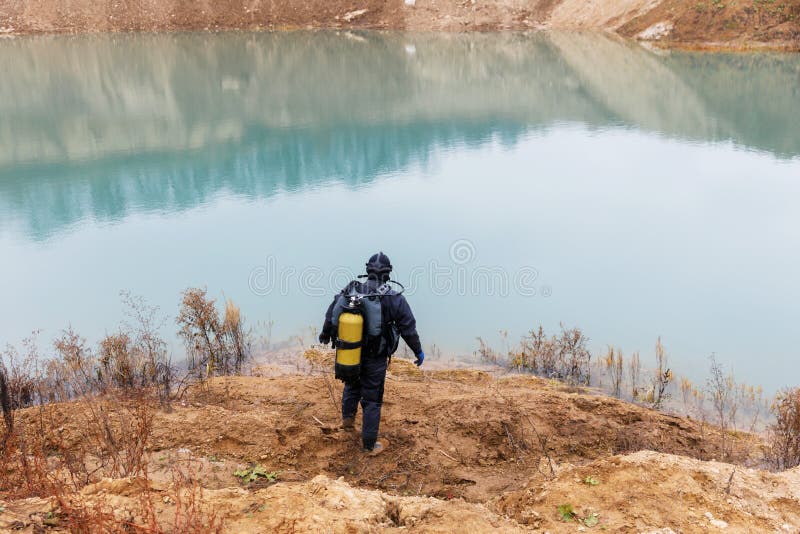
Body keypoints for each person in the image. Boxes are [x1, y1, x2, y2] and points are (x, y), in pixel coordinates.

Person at [319, 252, 424, 455]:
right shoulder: (394, 298)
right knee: (372, 399)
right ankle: (369, 446)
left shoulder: (352, 291)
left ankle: (348, 423)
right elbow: (408, 328)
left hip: (352, 351)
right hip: (376, 356)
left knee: (352, 385)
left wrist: (325, 334)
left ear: (367, 271)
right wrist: (418, 351)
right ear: (388, 273)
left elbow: (332, 312)